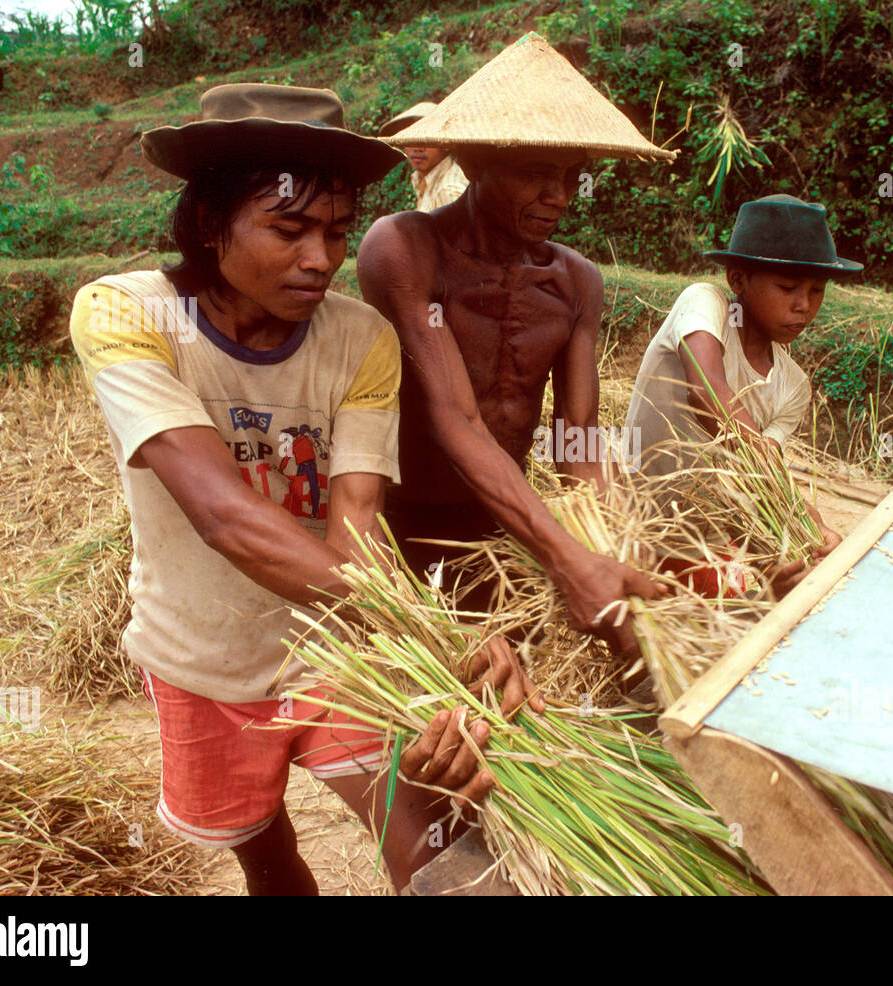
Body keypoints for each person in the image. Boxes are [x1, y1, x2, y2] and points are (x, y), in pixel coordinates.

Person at [68, 83, 541, 895]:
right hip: (200, 654)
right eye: (289, 230)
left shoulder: (360, 339)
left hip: (331, 649)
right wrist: (434, 628)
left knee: (433, 839)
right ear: (212, 224)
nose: (321, 259)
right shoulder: (126, 314)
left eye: (334, 232)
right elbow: (223, 516)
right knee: (266, 853)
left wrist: (422, 639)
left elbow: (354, 525)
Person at [359, 33, 677, 658]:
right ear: (477, 164)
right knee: (424, 703)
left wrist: (616, 532)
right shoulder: (407, 249)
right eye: (537, 174)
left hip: (505, 524)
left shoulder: (577, 281)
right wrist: (564, 555)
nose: (559, 196)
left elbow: (575, 436)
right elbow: (457, 418)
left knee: (518, 689)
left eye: (571, 176)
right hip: (402, 520)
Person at [624, 195, 862, 596]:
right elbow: (706, 390)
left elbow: (749, 483)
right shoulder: (705, 304)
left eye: (817, 290)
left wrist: (800, 532)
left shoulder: (792, 387)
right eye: (787, 287)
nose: (803, 305)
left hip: (703, 544)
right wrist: (782, 487)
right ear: (737, 280)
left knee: (761, 604)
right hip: (634, 527)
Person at [379, 101, 469, 211]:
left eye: (425, 140)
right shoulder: (425, 182)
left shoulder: (448, 191)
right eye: (410, 139)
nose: (417, 148)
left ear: (445, 144)